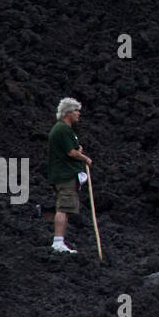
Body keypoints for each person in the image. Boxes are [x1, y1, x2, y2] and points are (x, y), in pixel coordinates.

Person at [47, 97, 91, 254]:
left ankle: (60, 241)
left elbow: (70, 150)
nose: (79, 114)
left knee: (64, 207)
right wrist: (85, 158)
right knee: (63, 208)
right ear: (68, 113)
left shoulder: (63, 129)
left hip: (62, 174)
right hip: (65, 175)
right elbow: (70, 152)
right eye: (76, 111)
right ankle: (58, 242)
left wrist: (77, 152)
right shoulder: (63, 129)